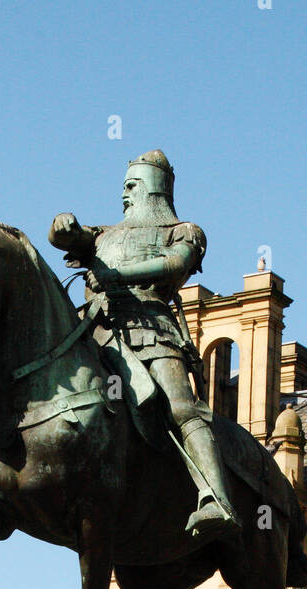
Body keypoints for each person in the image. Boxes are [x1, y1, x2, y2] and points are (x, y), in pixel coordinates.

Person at [49, 150, 239, 543]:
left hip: (151, 331)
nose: (125, 193)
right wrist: (61, 225)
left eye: (132, 185)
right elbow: (65, 237)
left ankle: (215, 497)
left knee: (182, 407)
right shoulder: (104, 234)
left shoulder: (184, 231)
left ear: (155, 189)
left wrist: (114, 275)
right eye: (123, 185)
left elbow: (172, 265)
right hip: (93, 331)